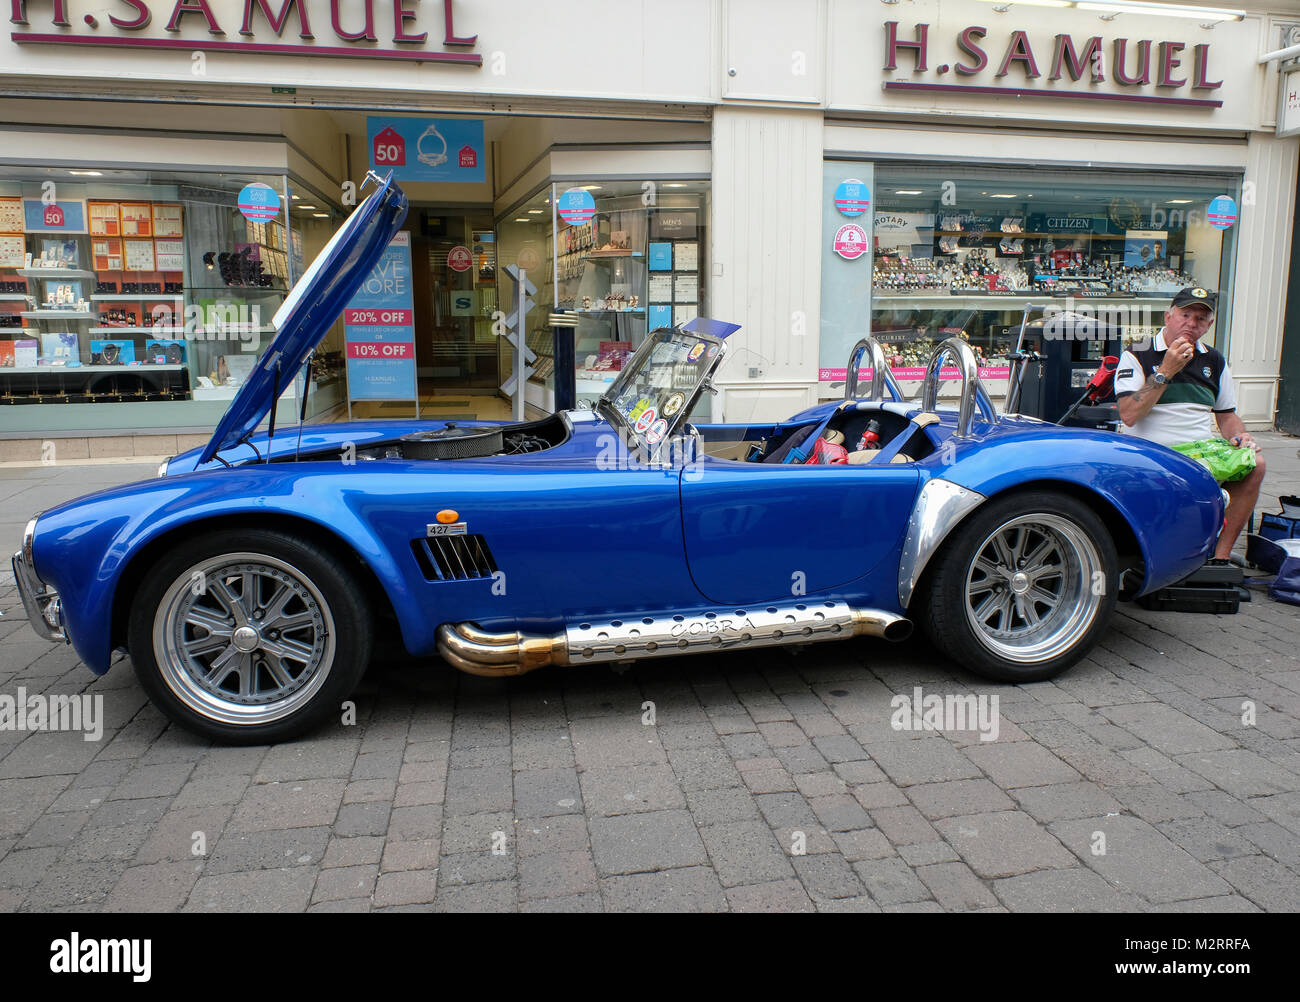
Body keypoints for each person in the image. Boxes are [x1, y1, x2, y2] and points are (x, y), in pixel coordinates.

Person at [1114, 287, 1265, 561]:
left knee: (1255, 463)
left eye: (1200, 319)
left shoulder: (1214, 360)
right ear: (1168, 316)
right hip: (1151, 452)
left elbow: (1226, 416)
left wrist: (1241, 436)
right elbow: (1129, 414)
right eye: (1185, 315)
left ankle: (1220, 557)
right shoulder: (1138, 353)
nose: (1191, 324)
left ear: (1209, 326)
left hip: (1200, 451)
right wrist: (1165, 371)